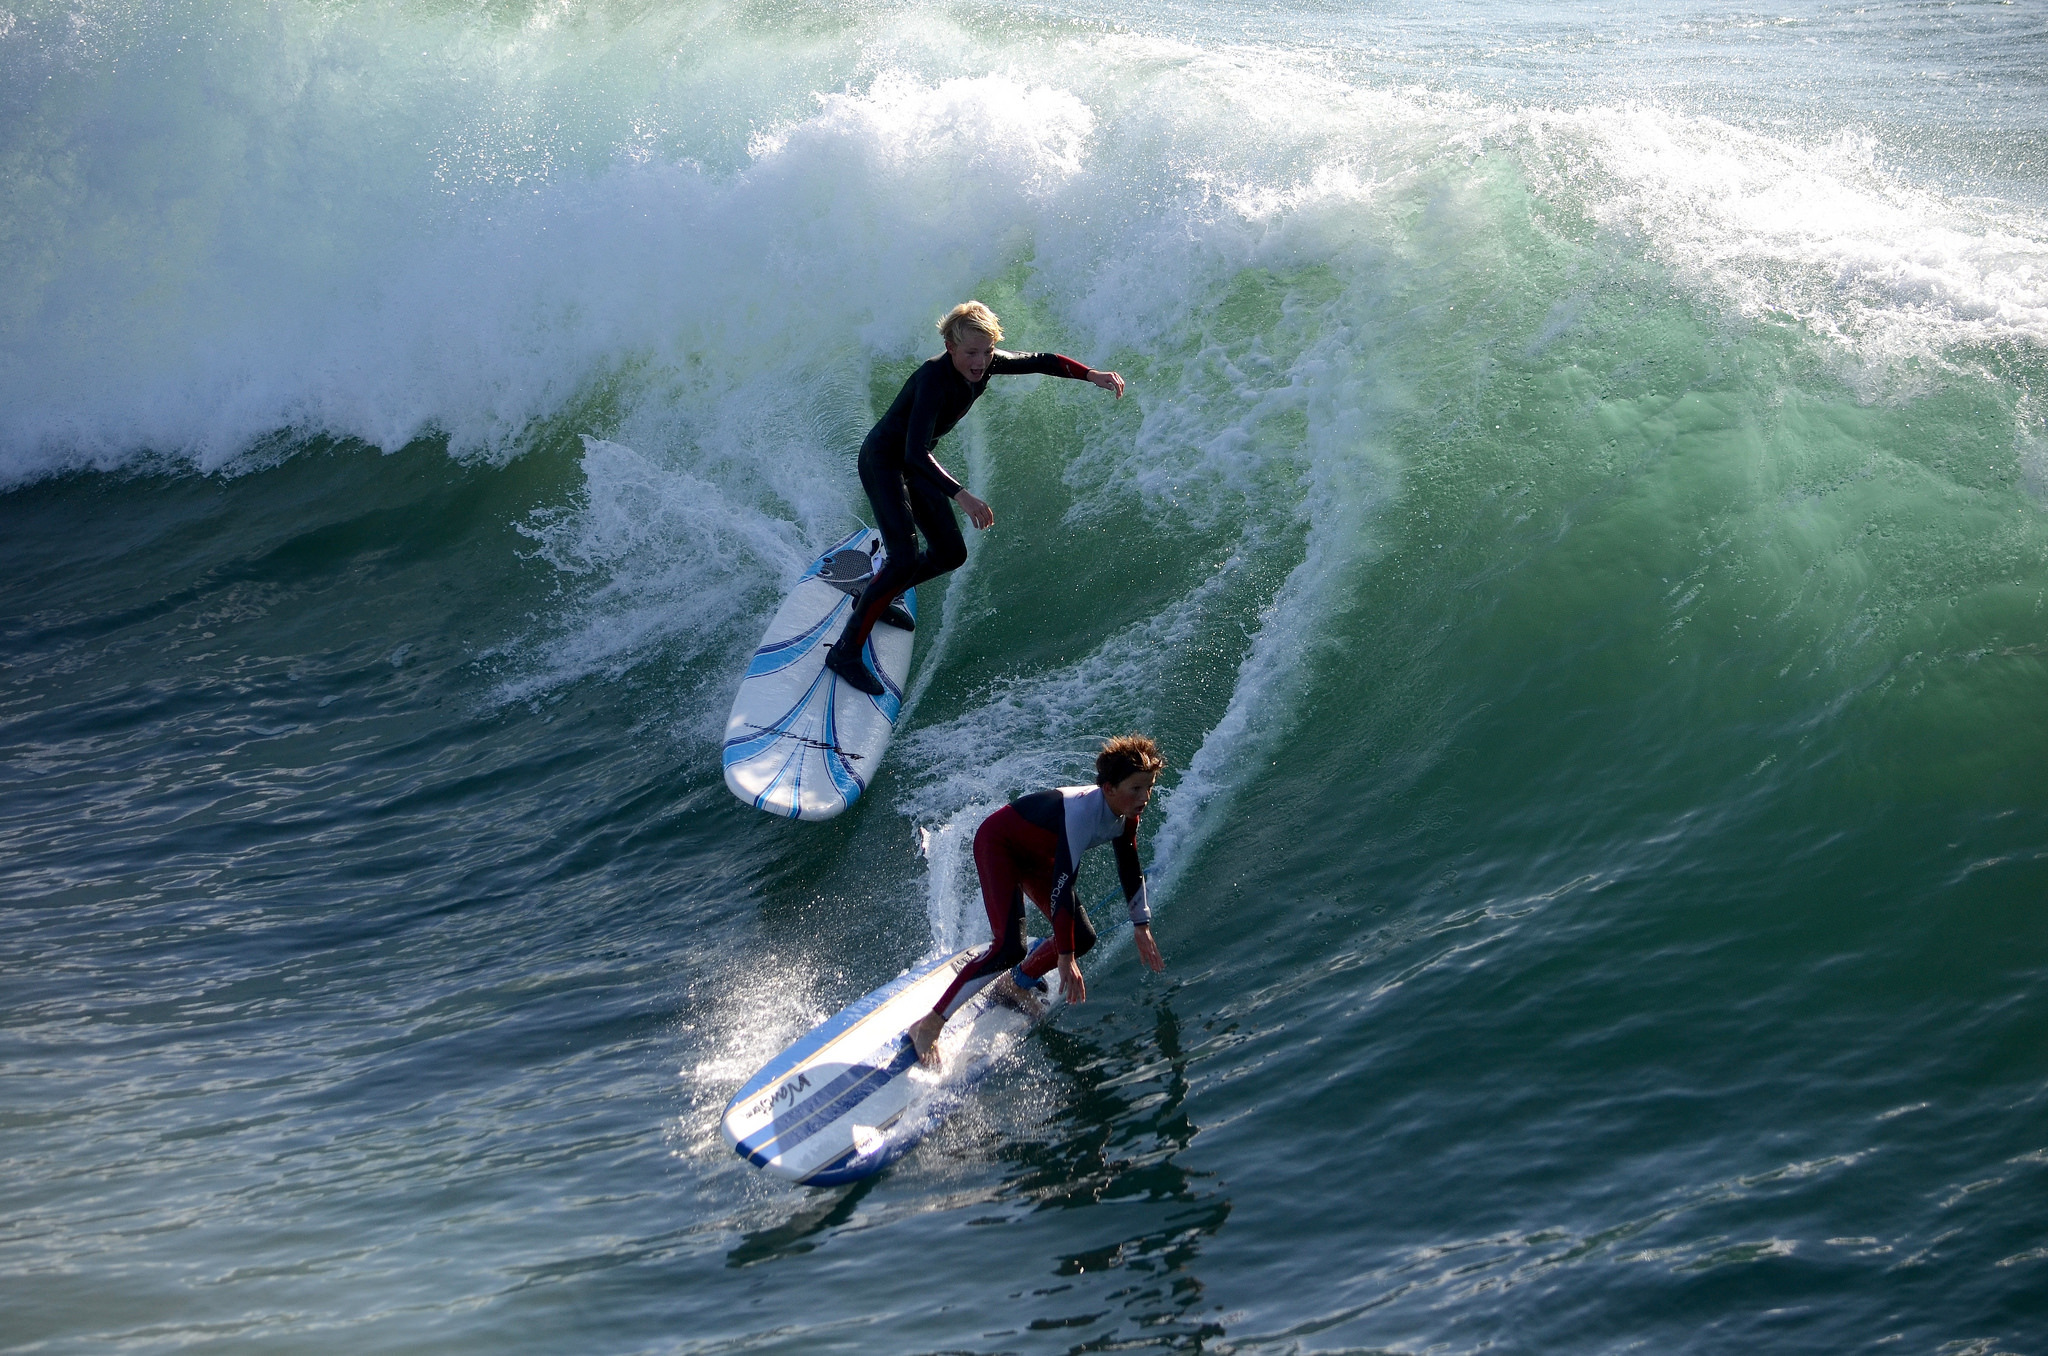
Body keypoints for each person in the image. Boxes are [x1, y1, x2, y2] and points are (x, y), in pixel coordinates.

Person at [823, 301, 1125, 696]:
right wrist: (961, 494)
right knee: (904, 558)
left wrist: (1091, 374)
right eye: (971, 353)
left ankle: (878, 592)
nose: (981, 362)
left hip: (915, 465)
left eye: (987, 352)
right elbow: (914, 451)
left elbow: (1041, 360)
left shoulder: (989, 361)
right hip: (885, 462)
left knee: (950, 553)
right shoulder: (934, 379)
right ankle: (845, 652)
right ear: (950, 346)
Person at [908, 734, 1167, 1070]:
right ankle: (928, 1025)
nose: (1145, 797)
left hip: (1037, 856)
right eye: (1136, 788)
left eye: (1149, 787)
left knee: (1083, 936)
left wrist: (1141, 924)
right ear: (1109, 788)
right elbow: (1063, 883)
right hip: (1000, 845)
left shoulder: (1127, 815)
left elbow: (1129, 865)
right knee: (1008, 948)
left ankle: (1015, 984)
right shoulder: (1080, 813)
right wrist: (1064, 956)